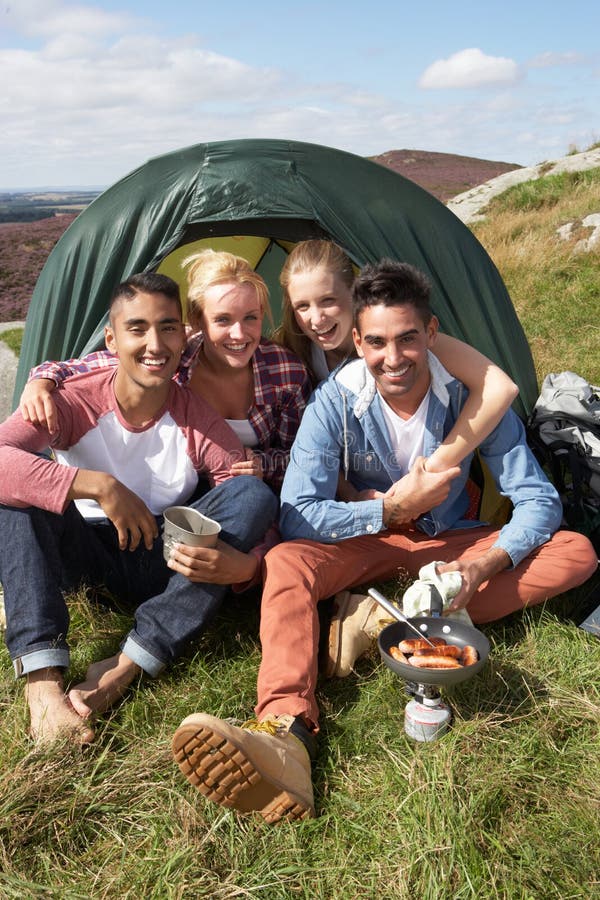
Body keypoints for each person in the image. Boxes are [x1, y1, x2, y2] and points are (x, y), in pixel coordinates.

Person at [171, 259, 598, 823]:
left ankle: (375, 624)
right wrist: (387, 510)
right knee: (285, 560)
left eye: (406, 339)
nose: (392, 358)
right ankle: (286, 730)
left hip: (449, 544)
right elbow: (299, 513)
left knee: (577, 552)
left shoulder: (467, 400)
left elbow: (538, 500)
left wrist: (484, 563)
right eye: (375, 342)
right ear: (357, 340)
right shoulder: (333, 403)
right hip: (370, 539)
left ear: (432, 334)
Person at [0, 273, 278, 744]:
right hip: (84, 553)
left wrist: (247, 566)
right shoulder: (71, 402)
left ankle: (128, 662)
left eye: (168, 327)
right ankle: (43, 685)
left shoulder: (195, 416)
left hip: (160, 558)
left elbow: (243, 496)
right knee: (15, 498)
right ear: (112, 338)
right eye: (138, 328)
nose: (155, 343)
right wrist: (99, 486)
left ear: (183, 335)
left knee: (254, 494)